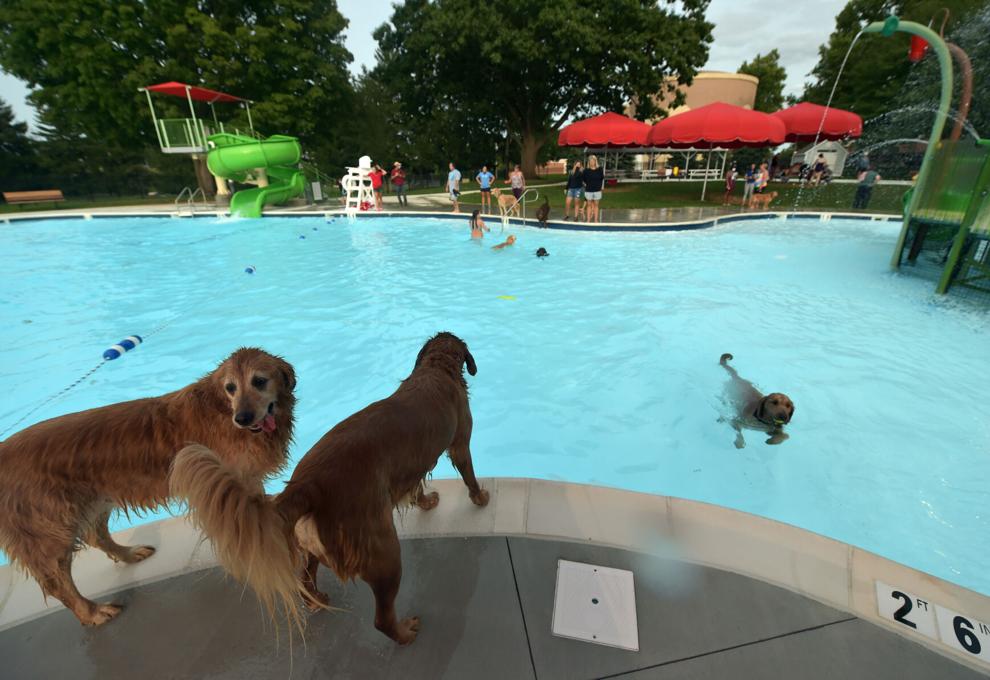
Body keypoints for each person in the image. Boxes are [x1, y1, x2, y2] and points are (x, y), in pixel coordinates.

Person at [582, 155, 605, 223]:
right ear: (589, 162)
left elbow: (601, 178)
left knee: (596, 205)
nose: (592, 162)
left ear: (595, 161)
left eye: (593, 161)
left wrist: (599, 186)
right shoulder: (586, 170)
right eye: (590, 161)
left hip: (597, 190)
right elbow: (584, 180)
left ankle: (595, 220)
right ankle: (588, 220)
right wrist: (587, 184)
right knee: (588, 205)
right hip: (589, 190)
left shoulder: (600, 169)